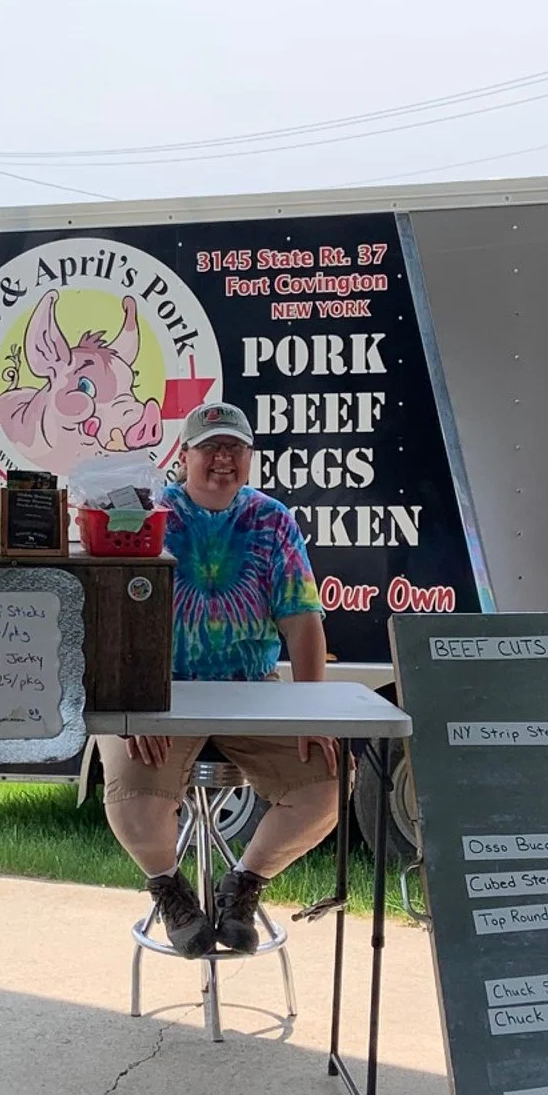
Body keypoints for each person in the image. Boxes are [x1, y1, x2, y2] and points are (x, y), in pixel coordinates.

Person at [97, 399, 338, 961]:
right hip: (159, 696)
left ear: (250, 458)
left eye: (234, 448)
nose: (222, 459)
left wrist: (313, 713)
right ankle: (170, 891)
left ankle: (244, 886)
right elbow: (111, 619)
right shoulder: (147, 514)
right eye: (209, 448)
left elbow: (303, 622)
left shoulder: (273, 519)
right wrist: (133, 706)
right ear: (183, 457)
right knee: (133, 798)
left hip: (251, 692)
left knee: (325, 786)